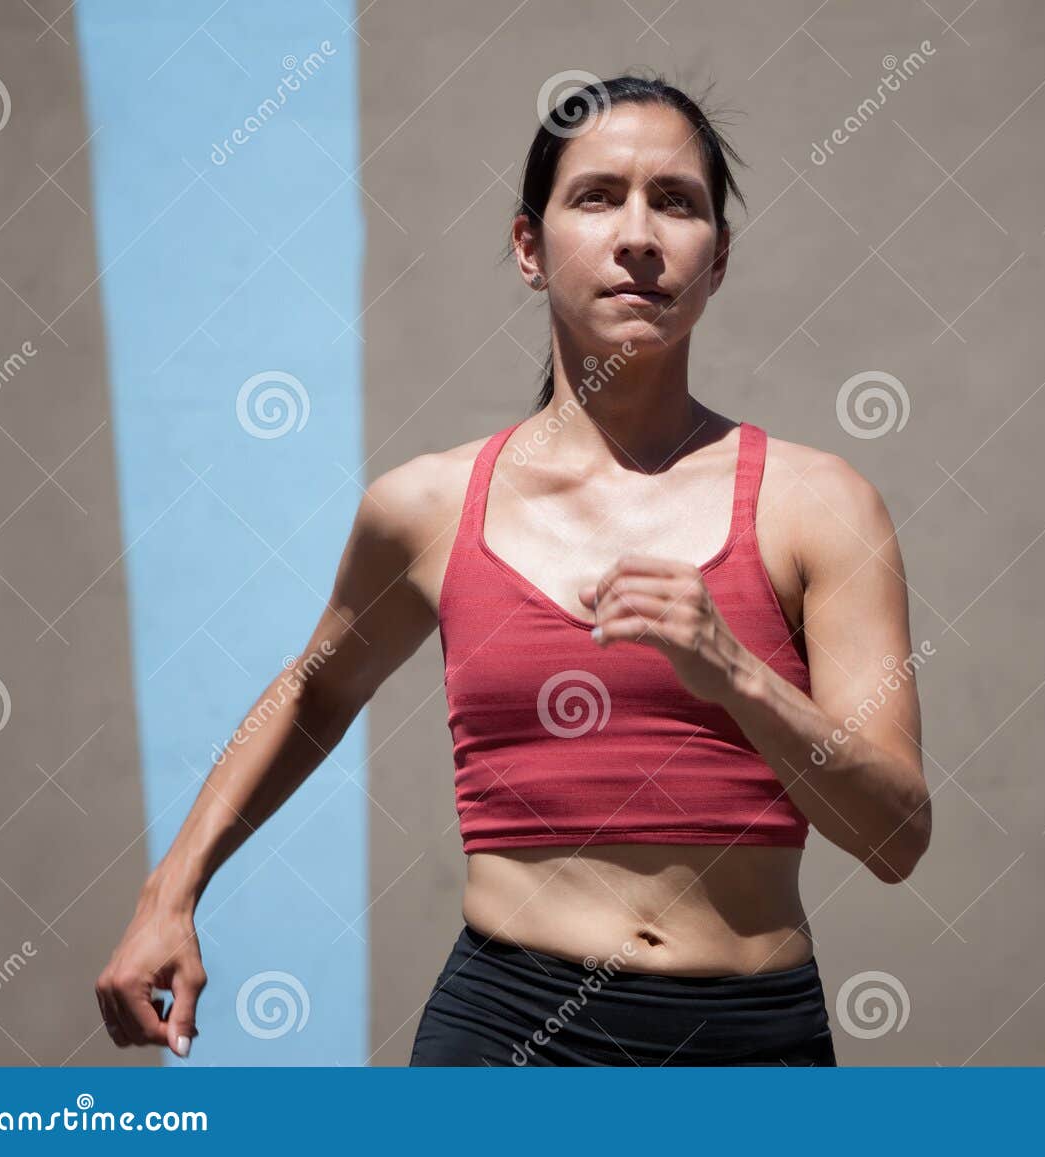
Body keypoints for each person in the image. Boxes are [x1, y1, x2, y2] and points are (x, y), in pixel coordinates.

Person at [95, 74, 929, 1067]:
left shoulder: (819, 503)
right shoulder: (428, 508)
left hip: (751, 1041)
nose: (638, 235)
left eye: (675, 201)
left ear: (717, 260)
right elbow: (315, 694)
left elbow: (894, 838)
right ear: (529, 248)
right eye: (596, 197)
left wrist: (737, 673)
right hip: (505, 1036)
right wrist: (169, 894)